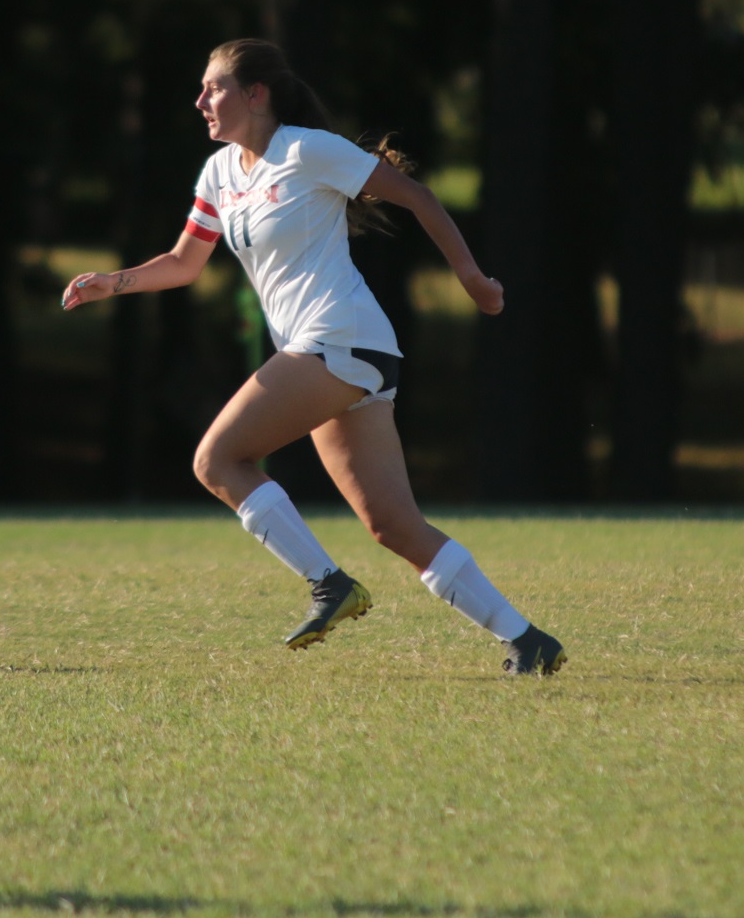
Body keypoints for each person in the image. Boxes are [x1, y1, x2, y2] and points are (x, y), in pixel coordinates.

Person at [62, 38, 566, 675]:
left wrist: (472, 279)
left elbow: (419, 197)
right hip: (338, 353)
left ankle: (330, 585)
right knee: (393, 526)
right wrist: (114, 282)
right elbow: (185, 263)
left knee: (217, 460)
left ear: (256, 94)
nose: (200, 101)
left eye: (213, 88)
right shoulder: (219, 173)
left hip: (339, 338)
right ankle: (528, 641)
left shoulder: (306, 149)